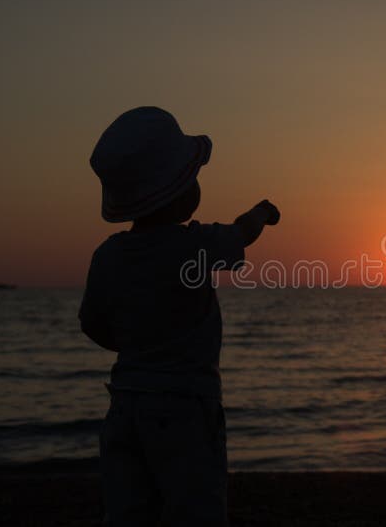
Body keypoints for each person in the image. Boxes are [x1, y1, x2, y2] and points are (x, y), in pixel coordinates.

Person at [79, 106, 280, 526]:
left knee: (129, 510)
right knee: (195, 509)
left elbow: (93, 323)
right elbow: (242, 232)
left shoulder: (108, 256)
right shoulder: (194, 246)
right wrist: (263, 211)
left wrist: (135, 342)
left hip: (125, 405)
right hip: (187, 408)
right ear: (180, 190)